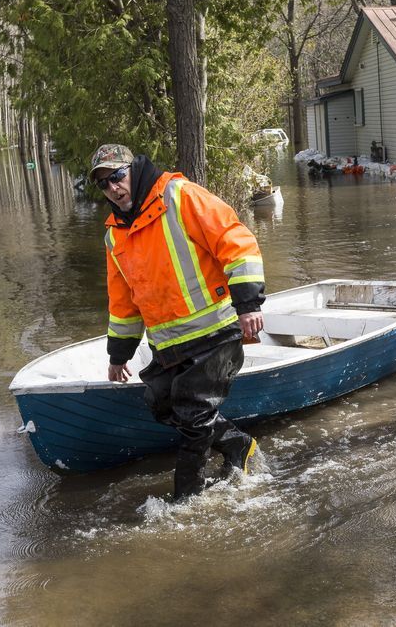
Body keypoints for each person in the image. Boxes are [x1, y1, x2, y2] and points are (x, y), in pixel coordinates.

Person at [89, 143, 265, 501]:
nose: (113, 188)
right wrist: (117, 356)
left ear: (134, 170)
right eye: (104, 184)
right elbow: (123, 304)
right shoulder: (114, 235)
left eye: (117, 177)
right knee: (162, 406)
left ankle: (185, 502)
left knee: (194, 419)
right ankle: (237, 445)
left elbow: (238, 244)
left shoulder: (180, 195)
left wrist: (249, 304)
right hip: (169, 345)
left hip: (216, 332)